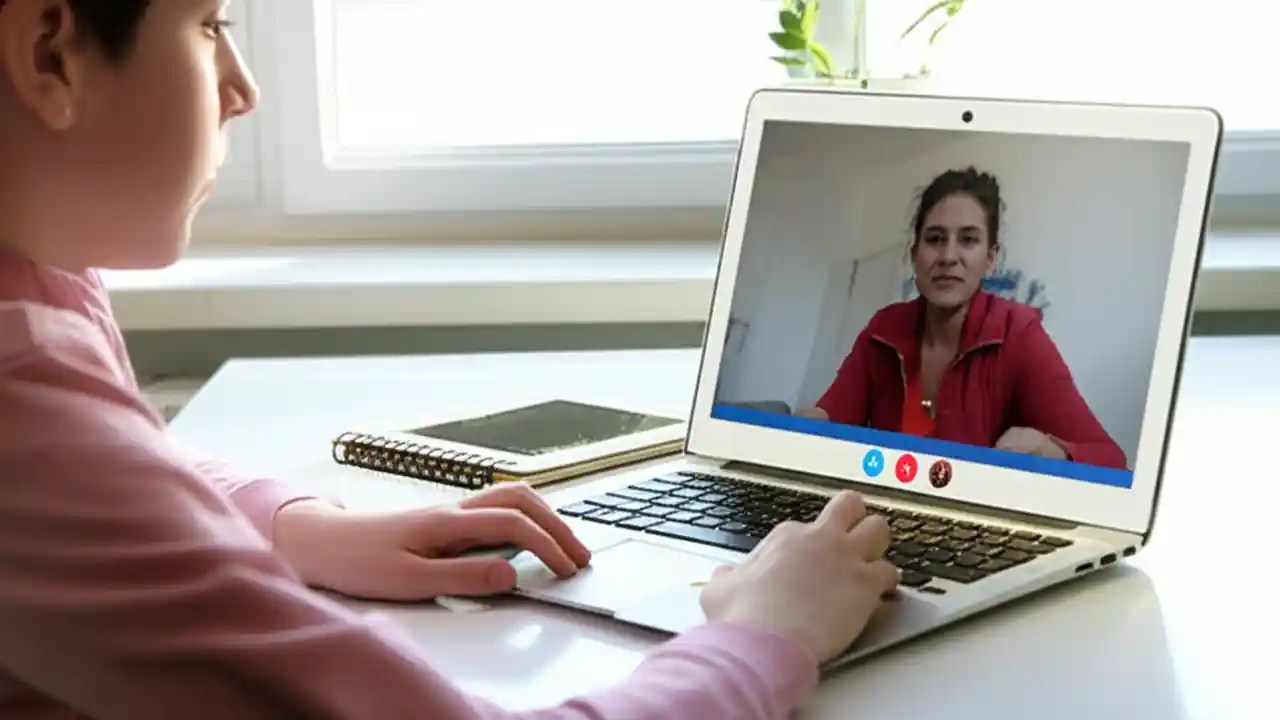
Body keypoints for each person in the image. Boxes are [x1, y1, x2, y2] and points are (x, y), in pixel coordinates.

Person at [0, 1, 901, 718]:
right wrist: (766, 636)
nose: (243, 90)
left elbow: (116, 460)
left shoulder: (40, 263)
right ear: (48, 51)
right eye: (207, 27)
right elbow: (63, 458)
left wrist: (291, 528)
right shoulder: (24, 400)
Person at [796, 166, 1128, 470]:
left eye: (968, 240)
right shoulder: (884, 329)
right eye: (935, 239)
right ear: (915, 255)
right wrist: (800, 428)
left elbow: (1109, 459)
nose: (948, 257)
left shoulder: (1017, 333)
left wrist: (1053, 451)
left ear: (990, 258)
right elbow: (830, 416)